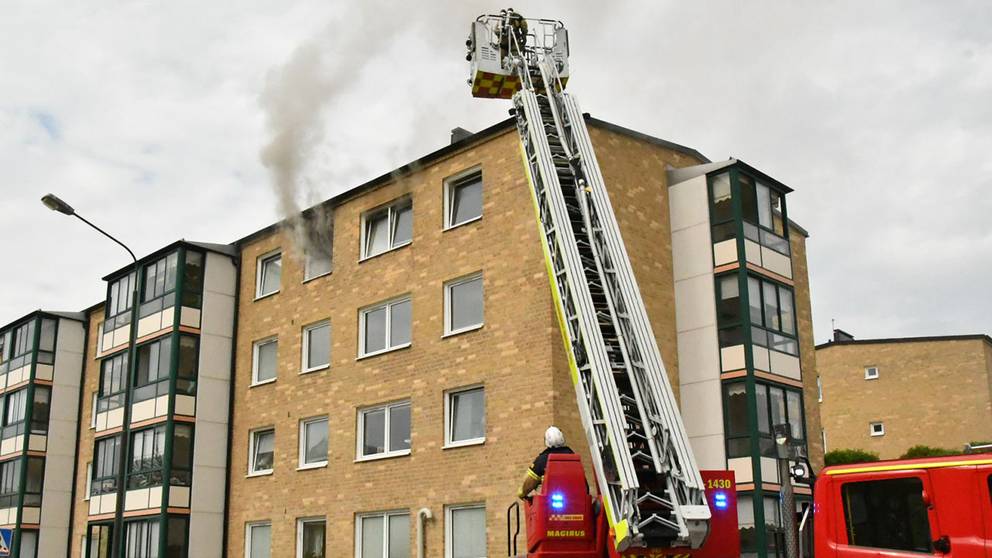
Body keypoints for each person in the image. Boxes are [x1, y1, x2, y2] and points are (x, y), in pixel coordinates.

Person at [518, 426, 575, 499]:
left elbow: (529, 483)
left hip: (548, 505)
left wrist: (521, 493)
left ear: (546, 441)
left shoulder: (542, 460)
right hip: (575, 501)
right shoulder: (573, 457)